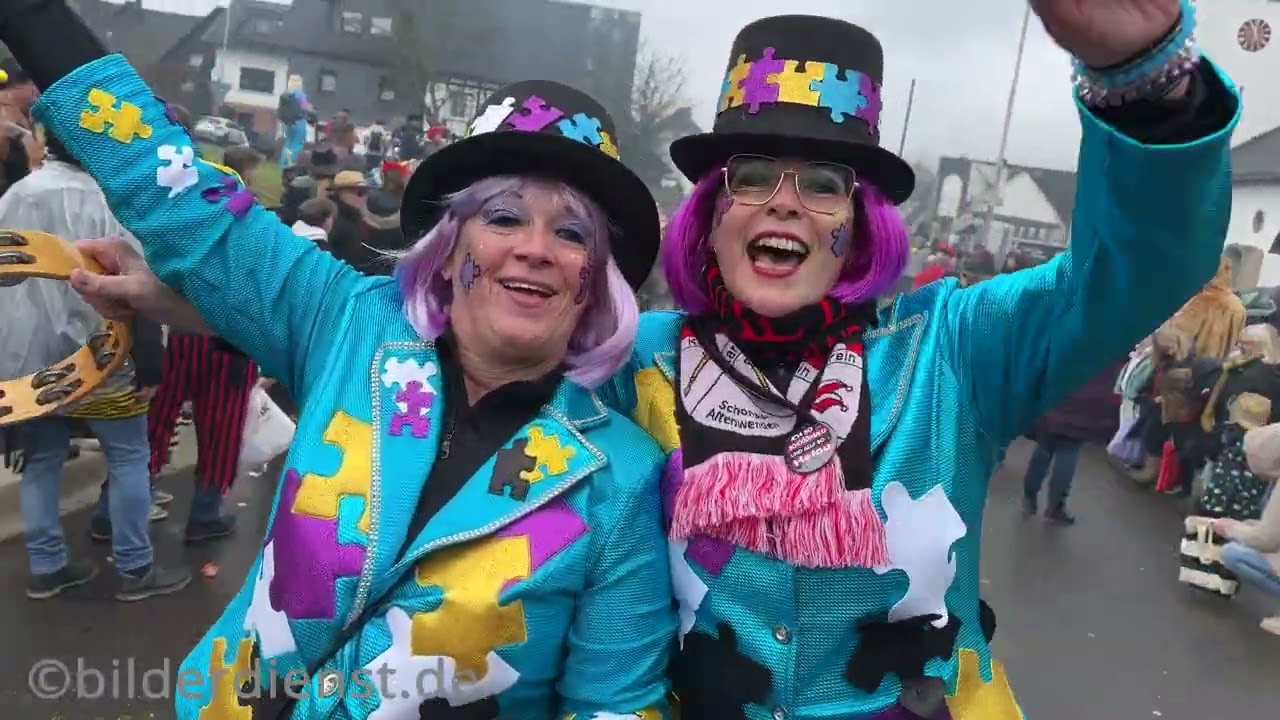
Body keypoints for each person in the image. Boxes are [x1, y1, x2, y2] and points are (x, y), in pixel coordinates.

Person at [5, 4, 674, 717]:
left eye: (570, 233)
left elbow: (614, 704)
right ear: (451, 247)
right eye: (503, 217)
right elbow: (167, 181)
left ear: (593, 274)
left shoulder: (621, 477)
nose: (535, 248)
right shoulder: (351, 324)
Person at [611, 9, 1235, 717]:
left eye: (823, 184)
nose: (785, 205)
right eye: (752, 177)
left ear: (860, 224)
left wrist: (1149, 81)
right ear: (712, 216)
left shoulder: (951, 348)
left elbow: (1132, 272)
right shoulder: (634, 364)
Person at [0, 130, 184, 600]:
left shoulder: (17, 193)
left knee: (41, 462)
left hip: (33, 361)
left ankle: (46, 566)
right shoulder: (114, 198)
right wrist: (149, 359)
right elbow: (138, 281)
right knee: (127, 458)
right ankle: (135, 567)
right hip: (107, 353)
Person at [1022, 359, 1126, 523]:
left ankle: (1029, 496)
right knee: (1068, 452)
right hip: (1086, 405)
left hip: (1056, 397)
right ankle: (1055, 506)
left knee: (1044, 447)